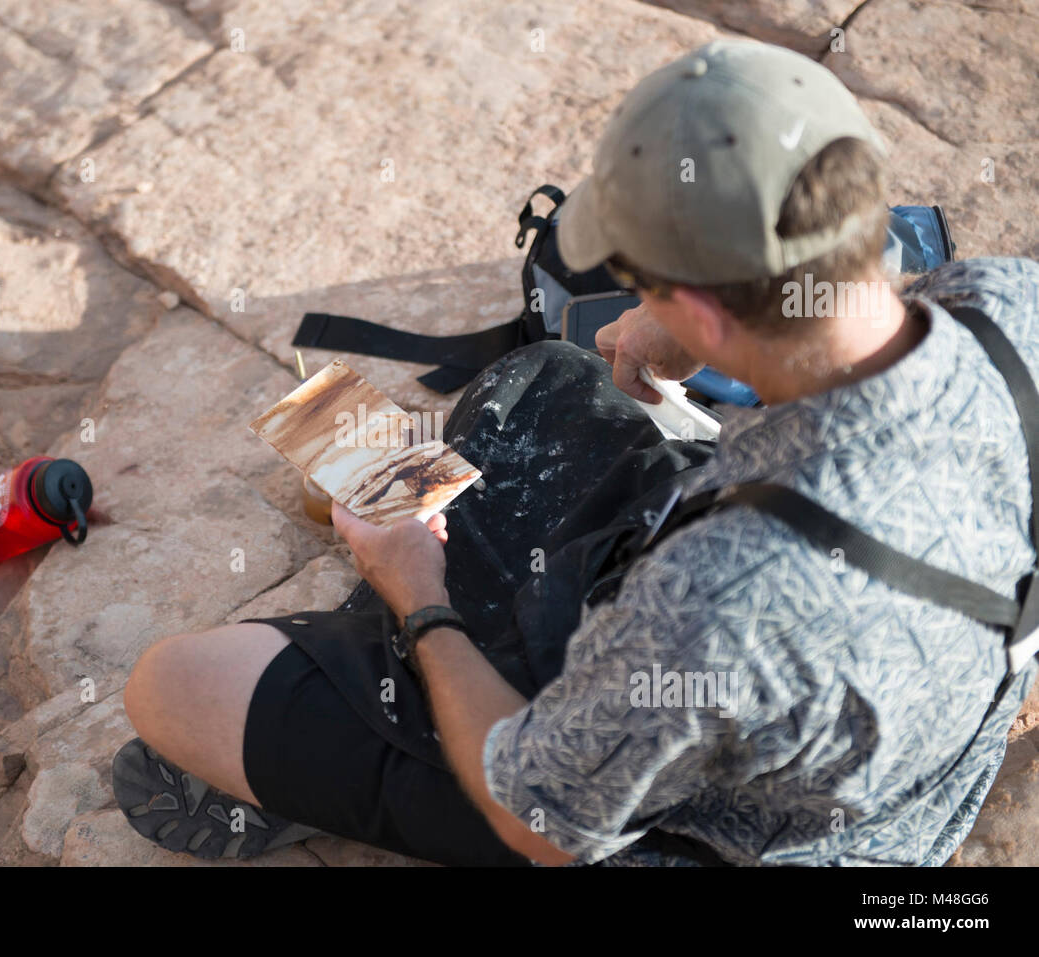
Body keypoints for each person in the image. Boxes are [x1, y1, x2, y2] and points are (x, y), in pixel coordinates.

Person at [113, 39, 1039, 866]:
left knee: (172, 687)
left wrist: (418, 598)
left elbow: (544, 823)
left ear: (708, 303)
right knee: (544, 379)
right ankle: (372, 678)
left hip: (696, 828)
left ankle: (383, 688)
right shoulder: (1009, 308)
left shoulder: (717, 594)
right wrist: (691, 330)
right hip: (903, 769)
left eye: (640, 279)